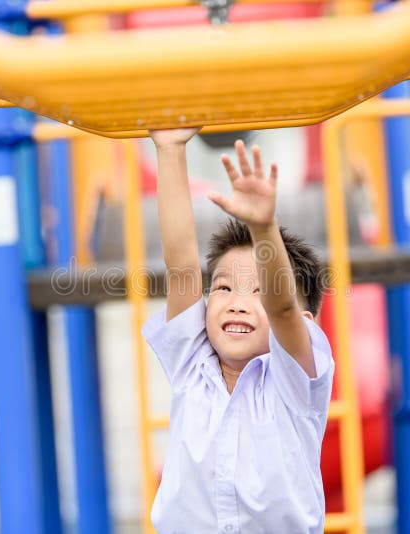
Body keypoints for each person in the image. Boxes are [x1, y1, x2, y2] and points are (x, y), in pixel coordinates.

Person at [144, 127, 334, 533]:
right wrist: (170, 148)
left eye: (257, 293)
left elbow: (283, 308)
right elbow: (181, 266)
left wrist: (263, 228)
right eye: (225, 287)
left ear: (305, 325)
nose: (237, 301)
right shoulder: (190, 365)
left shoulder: (293, 383)